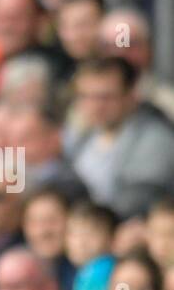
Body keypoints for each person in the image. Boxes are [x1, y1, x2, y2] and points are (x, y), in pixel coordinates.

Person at [64, 56, 174, 218]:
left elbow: (138, 200)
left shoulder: (157, 140)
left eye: (105, 97)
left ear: (131, 95)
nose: (95, 106)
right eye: (86, 96)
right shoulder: (81, 137)